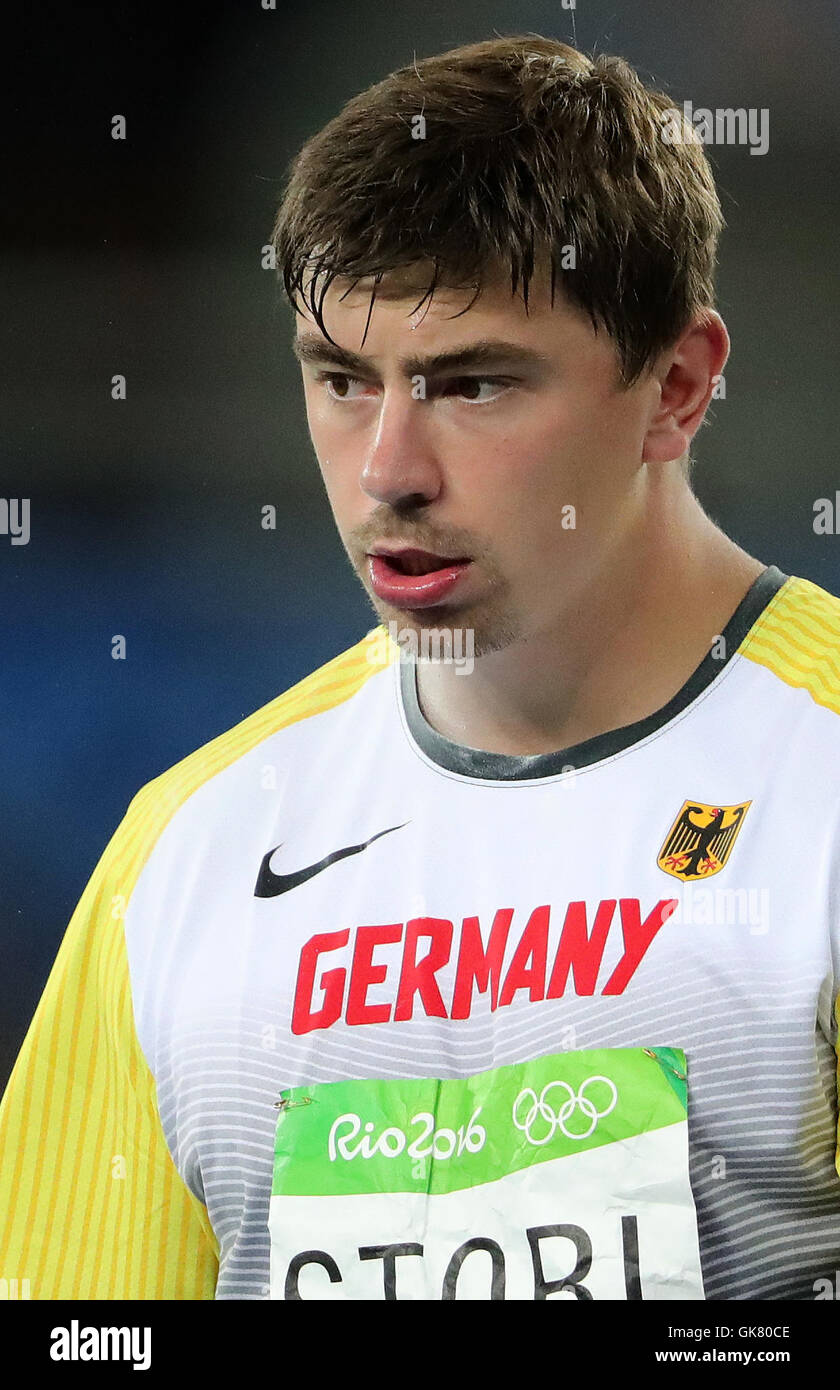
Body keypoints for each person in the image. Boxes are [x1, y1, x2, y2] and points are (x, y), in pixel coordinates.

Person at [2, 33, 839, 1303]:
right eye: (342, 379)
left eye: (474, 385)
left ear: (676, 385)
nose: (389, 469)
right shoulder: (177, 857)